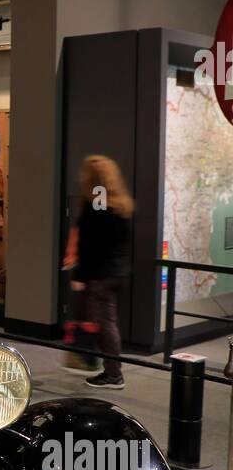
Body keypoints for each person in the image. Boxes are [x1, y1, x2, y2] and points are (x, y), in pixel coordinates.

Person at [71, 155, 133, 390]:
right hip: (117, 271)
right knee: (106, 321)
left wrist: (79, 275)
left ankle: (113, 374)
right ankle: (106, 367)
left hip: (101, 274)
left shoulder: (96, 203)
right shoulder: (118, 203)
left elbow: (90, 244)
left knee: (105, 323)